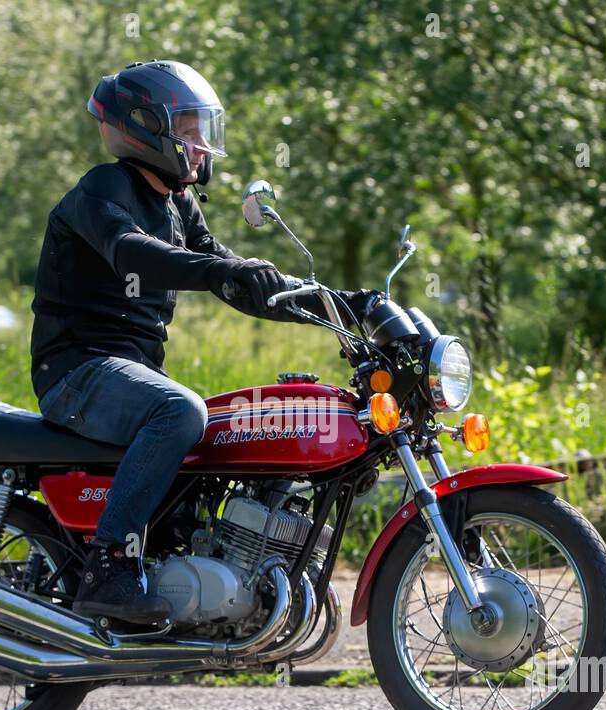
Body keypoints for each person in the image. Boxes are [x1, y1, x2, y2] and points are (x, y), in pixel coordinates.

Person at [30, 60, 367, 626]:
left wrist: (346, 306)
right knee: (179, 410)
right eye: (188, 129)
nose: (201, 144)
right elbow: (132, 252)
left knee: (227, 425)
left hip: (133, 374)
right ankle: (109, 567)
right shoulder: (102, 188)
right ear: (146, 127)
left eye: (203, 129)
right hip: (78, 371)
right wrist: (215, 272)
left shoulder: (178, 204)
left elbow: (237, 280)